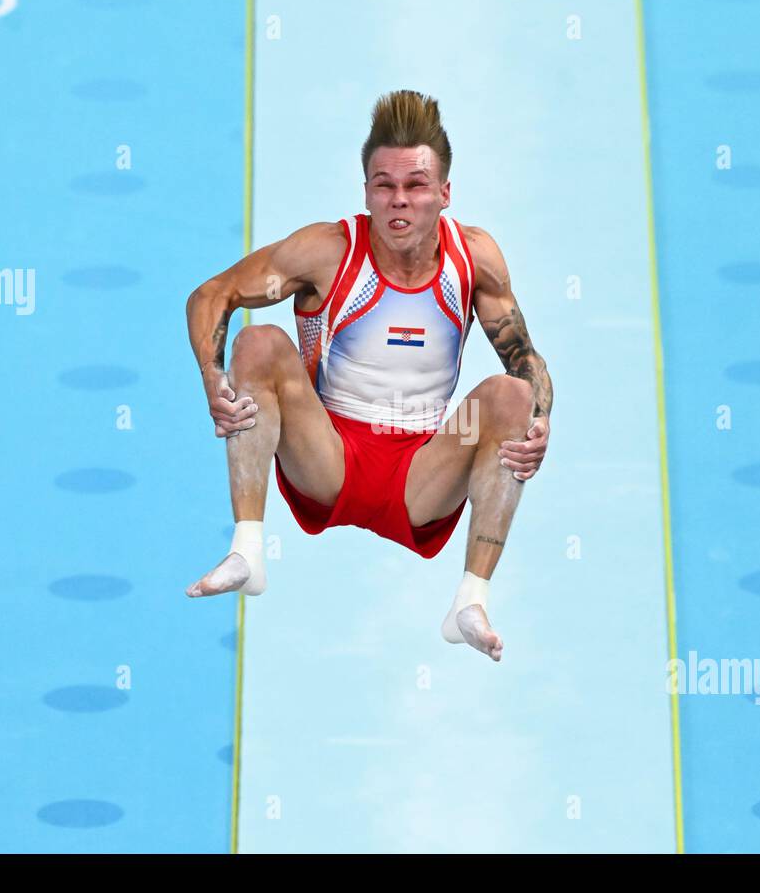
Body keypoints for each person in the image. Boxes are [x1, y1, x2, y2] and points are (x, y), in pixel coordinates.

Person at [184, 90, 553, 662]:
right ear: (366, 191)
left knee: (514, 395)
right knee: (259, 342)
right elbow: (213, 294)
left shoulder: (475, 259)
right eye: (384, 185)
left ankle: (470, 600)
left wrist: (539, 424)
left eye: (415, 186)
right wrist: (213, 380)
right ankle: (248, 547)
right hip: (326, 456)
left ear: (444, 193)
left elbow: (524, 356)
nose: (398, 202)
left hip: (422, 476)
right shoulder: (328, 251)